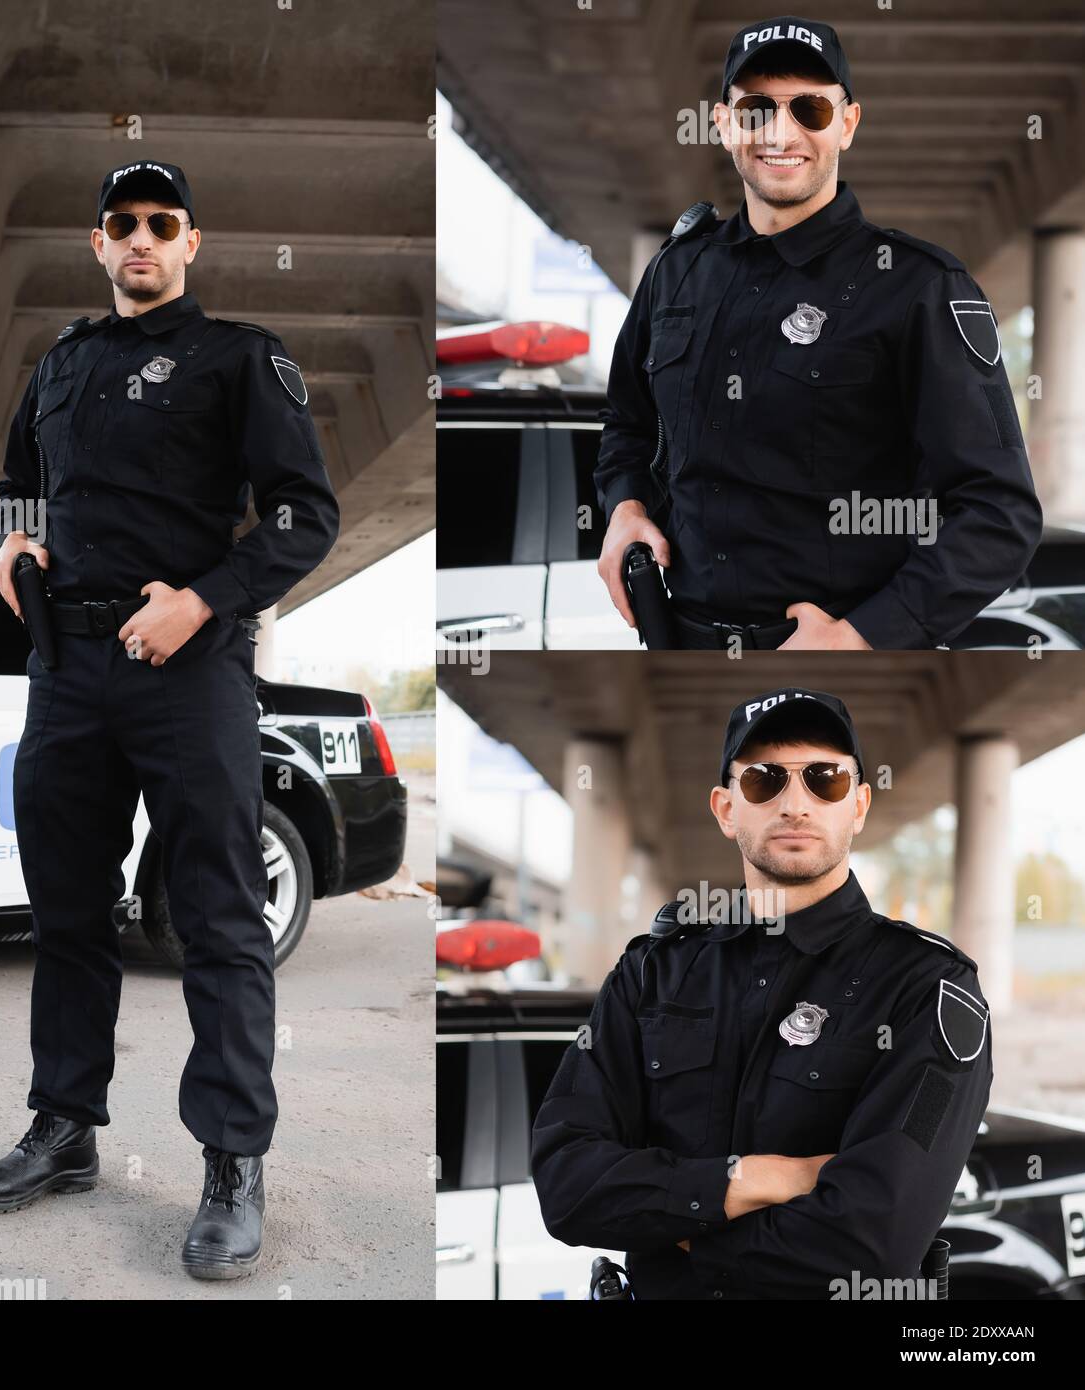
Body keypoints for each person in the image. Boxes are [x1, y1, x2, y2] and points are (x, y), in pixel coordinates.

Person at [0, 159, 340, 1281]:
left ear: (189, 243)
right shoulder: (61, 362)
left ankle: (231, 1162)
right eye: (121, 222)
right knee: (68, 913)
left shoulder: (240, 357)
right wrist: (11, 541)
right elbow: (22, 480)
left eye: (160, 223)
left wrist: (205, 598)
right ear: (98, 242)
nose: (140, 238)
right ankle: (64, 1127)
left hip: (188, 667)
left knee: (218, 920)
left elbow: (307, 514)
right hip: (67, 666)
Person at [594, 16, 1041, 650]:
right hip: (678, 641)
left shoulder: (919, 287)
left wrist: (861, 636)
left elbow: (1000, 517)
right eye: (755, 110)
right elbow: (626, 425)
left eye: (810, 109)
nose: (780, 132)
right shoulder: (677, 269)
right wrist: (626, 510)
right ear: (722, 125)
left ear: (848, 125)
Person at [531, 687, 993, 1298]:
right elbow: (567, 1185)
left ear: (857, 805)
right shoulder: (651, 974)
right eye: (764, 781)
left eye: (823, 779)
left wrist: (679, 1225)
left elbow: (874, 1243)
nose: (795, 803)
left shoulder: (928, 988)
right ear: (726, 809)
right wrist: (753, 1178)